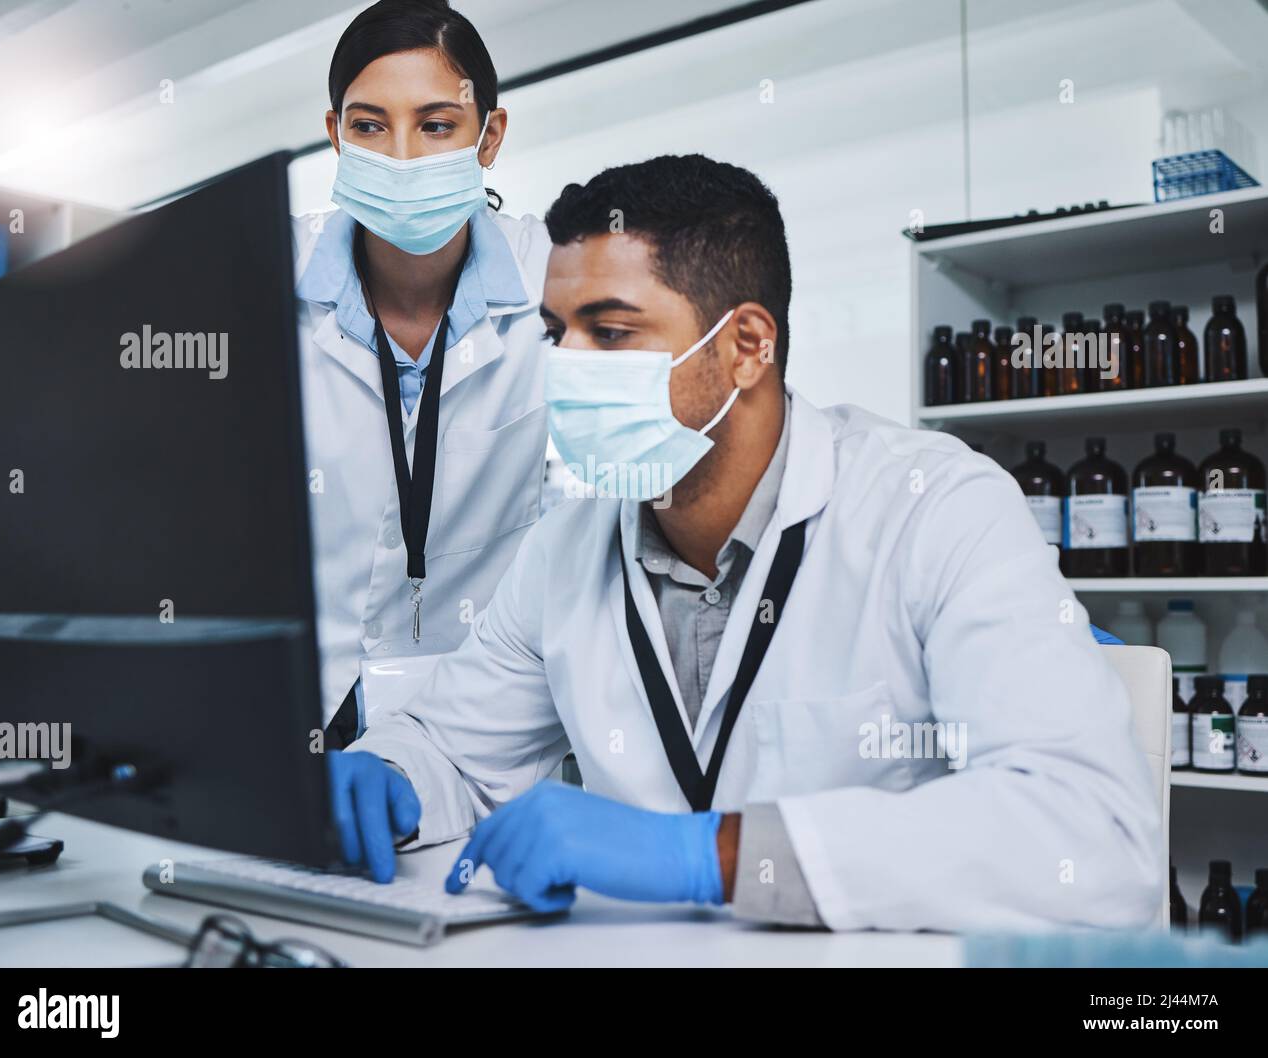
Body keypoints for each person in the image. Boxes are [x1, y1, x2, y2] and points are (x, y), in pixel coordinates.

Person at [328, 154, 1162, 932]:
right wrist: (394, 775)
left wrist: (711, 857)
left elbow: (1093, 837)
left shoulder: (936, 508)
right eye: (557, 333)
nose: (565, 366)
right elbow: (455, 747)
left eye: (610, 333)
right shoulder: (567, 545)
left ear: (747, 347)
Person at [296, 0, 551, 746]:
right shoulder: (256, 277)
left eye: (437, 125)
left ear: (489, 136)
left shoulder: (555, 277)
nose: (402, 157)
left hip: (471, 711)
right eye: (370, 126)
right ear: (337, 137)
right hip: (291, 704)